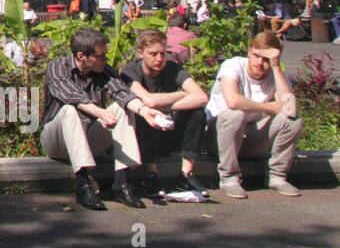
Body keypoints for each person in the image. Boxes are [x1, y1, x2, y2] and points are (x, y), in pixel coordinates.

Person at [39, 27, 165, 210]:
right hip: (56, 141)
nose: (105, 60)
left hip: (88, 138)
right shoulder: (57, 67)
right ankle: (83, 185)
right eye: (100, 55)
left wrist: (144, 111)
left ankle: (121, 184)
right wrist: (100, 113)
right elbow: (72, 97)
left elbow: (122, 94)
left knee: (122, 109)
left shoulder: (104, 70)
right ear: (81, 55)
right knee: (69, 110)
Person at [205, 32, 303, 198]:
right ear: (250, 51)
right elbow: (233, 102)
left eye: (266, 59)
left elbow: (289, 110)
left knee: (293, 121)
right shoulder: (233, 65)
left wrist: (276, 67)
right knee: (235, 115)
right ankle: (229, 178)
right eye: (257, 56)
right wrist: (268, 107)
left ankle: (277, 176)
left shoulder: (275, 73)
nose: (260, 63)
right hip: (219, 137)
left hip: (249, 137)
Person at [120, 28, 210, 196]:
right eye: (153, 54)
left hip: (169, 133)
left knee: (197, 112)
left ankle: (186, 175)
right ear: (140, 53)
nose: (159, 59)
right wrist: (182, 94)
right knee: (147, 113)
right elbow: (149, 101)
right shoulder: (130, 71)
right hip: (142, 138)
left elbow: (201, 97)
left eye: (163, 53)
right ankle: (151, 175)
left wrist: (167, 106)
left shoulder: (173, 68)